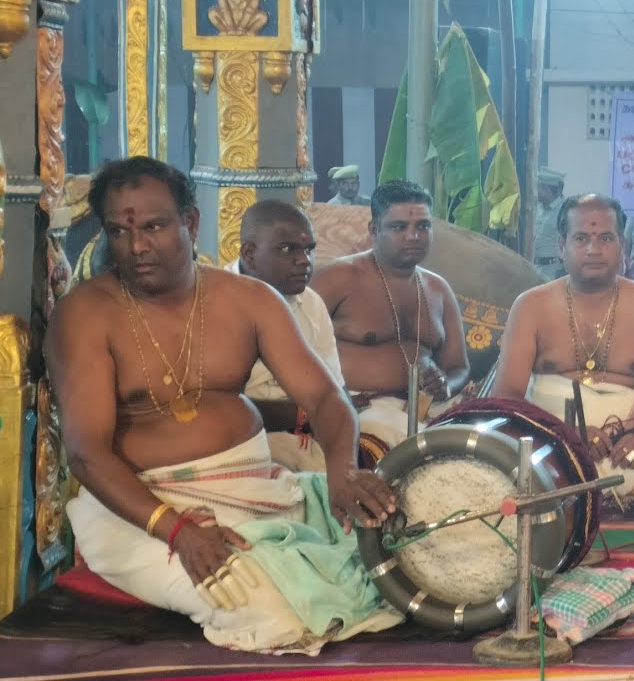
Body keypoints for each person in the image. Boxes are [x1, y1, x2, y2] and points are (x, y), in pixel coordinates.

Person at [52, 157, 401, 653]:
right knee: (266, 606)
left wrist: (341, 470)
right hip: (143, 510)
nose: (136, 246)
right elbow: (86, 454)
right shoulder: (86, 312)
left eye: (154, 226)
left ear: (190, 223)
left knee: (400, 544)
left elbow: (324, 396)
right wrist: (177, 534)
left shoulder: (250, 300)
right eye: (119, 230)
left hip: (263, 492)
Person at [490, 194, 634, 512]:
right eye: (581, 238)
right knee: (502, 470)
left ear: (622, 246)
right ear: (562, 246)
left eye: (605, 238)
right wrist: (566, 436)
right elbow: (506, 397)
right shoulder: (532, 306)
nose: (593, 249)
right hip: (551, 444)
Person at [311, 180, 470, 461]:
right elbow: (294, 350)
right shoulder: (338, 278)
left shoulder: (438, 288)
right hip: (362, 407)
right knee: (434, 453)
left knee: (488, 441)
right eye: (399, 227)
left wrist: (445, 383)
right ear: (374, 230)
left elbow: (458, 367)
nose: (413, 236)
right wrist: (332, 399)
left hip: (429, 407)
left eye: (423, 226)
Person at [225, 199, 344, 472]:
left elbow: (335, 390)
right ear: (250, 254)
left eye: (309, 249)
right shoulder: (212, 303)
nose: (304, 260)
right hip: (244, 439)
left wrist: (327, 415)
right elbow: (219, 409)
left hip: (307, 431)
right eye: (288, 249)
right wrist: (306, 413)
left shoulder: (311, 302)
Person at [532, 167, 567, 280]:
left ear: (546, 189)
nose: (536, 191)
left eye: (539, 187)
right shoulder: (538, 208)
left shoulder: (564, 210)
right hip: (535, 268)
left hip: (554, 271)